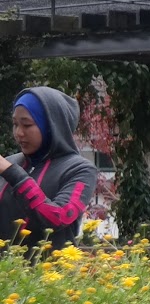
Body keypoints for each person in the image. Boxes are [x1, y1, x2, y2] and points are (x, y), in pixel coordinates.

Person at [3, 87, 97, 253]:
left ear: (51, 126)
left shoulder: (80, 169)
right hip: (7, 269)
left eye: (27, 124)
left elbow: (58, 217)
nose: (18, 133)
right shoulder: (10, 162)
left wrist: (13, 174)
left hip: (51, 268)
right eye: (15, 124)